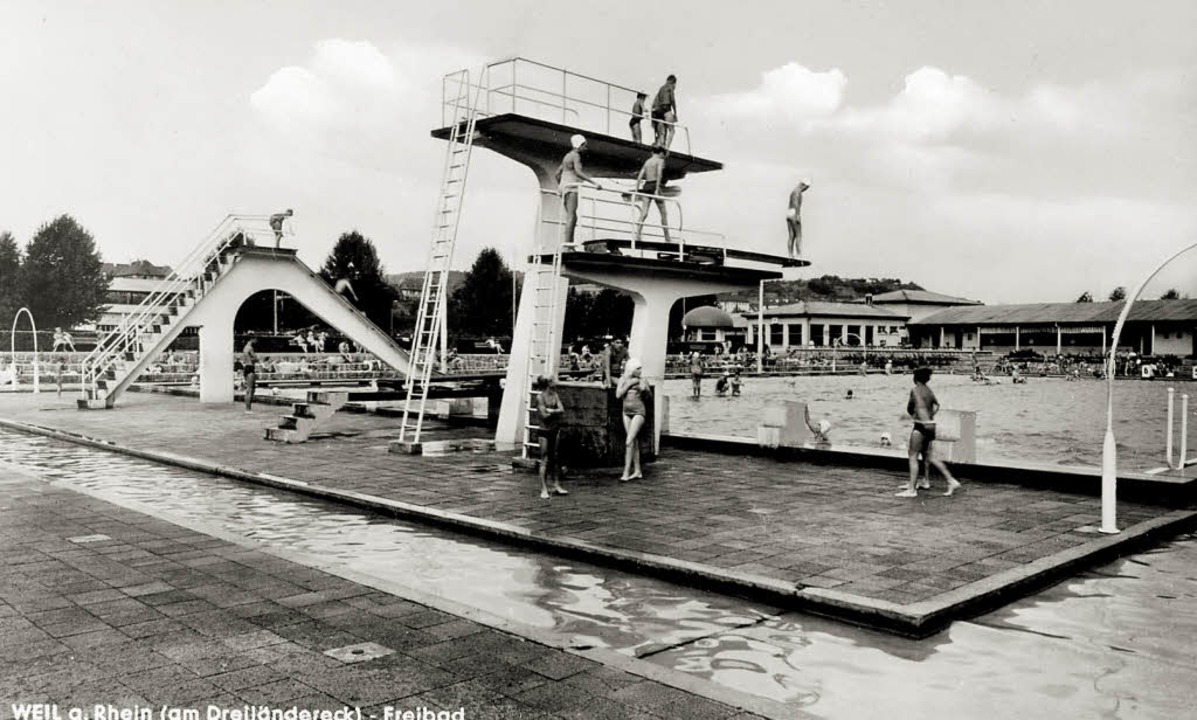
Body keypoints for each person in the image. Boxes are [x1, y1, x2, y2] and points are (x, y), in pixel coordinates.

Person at [896, 367, 961, 498]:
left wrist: (914, 416)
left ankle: (911, 489)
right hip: (931, 425)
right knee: (929, 456)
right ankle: (947, 480)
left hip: (921, 426)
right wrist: (930, 416)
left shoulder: (914, 390)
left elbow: (910, 408)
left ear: (915, 378)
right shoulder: (929, 390)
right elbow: (937, 405)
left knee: (913, 456)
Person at [558, 135, 603, 247]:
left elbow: (557, 173)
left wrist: (561, 185)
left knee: (572, 216)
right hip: (571, 187)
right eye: (585, 146)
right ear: (580, 145)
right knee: (572, 216)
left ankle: (569, 243)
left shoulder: (567, 156)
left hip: (564, 186)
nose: (586, 148)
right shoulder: (576, 156)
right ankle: (568, 245)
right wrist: (594, 183)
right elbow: (578, 172)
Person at [616, 358, 650, 481]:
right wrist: (629, 384)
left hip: (639, 412)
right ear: (631, 369)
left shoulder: (643, 380)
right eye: (638, 368)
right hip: (626, 412)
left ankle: (626, 472)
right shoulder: (623, 380)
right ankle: (637, 470)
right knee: (633, 441)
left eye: (641, 368)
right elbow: (618, 394)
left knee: (628, 441)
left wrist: (644, 390)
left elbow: (649, 397)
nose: (640, 371)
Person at [535, 375, 568, 499]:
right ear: (548, 383)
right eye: (552, 381)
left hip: (554, 429)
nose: (555, 382)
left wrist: (551, 411)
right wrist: (555, 411)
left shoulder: (555, 395)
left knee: (555, 457)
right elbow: (544, 415)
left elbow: (562, 409)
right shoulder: (540, 397)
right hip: (544, 430)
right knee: (544, 458)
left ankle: (556, 484)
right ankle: (544, 488)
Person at [631, 145, 672, 243]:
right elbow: (659, 175)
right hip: (654, 185)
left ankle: (637, 235)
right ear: (661, 153)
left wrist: (637, 189)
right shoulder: (660, 161)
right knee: (663, 213)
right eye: (664, 154)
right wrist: (657, 189)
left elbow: (640, 176)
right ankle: (667, 238)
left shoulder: (648, 161)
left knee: (644, 213)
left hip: (646, 185)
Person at [651, 75, 678, 149]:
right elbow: (672, 100)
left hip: (658, 111)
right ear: (673, 82)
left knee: (662, 132)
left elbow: (655, 103)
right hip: (666, 108)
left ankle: (660, 144)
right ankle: (666, 147)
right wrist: (675, 113)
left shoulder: (661, 88)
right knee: (672, 131)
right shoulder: (670, 87)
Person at [787, 180, 811, 258]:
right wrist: (797, 215)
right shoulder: (797, 192)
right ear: (802, 185)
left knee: (791, 235)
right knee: (798, 235)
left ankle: (790, 254)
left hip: (789, 212)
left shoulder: (792, 192)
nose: (805, 190)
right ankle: (798, 254)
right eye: (806, 188)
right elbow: (795, 204)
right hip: (794, 212)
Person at [241, 339, 258, 413]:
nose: (256, 341)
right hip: (250, 367)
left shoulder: (245, 348)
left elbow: (246, 359)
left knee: (251, 389)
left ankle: (248, 408)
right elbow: (256, 358)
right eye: (256, 340)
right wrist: (256, 358)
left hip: (247, 367)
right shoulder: (250, 348)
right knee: (250, 390)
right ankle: (248, 409)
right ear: (252, 339)